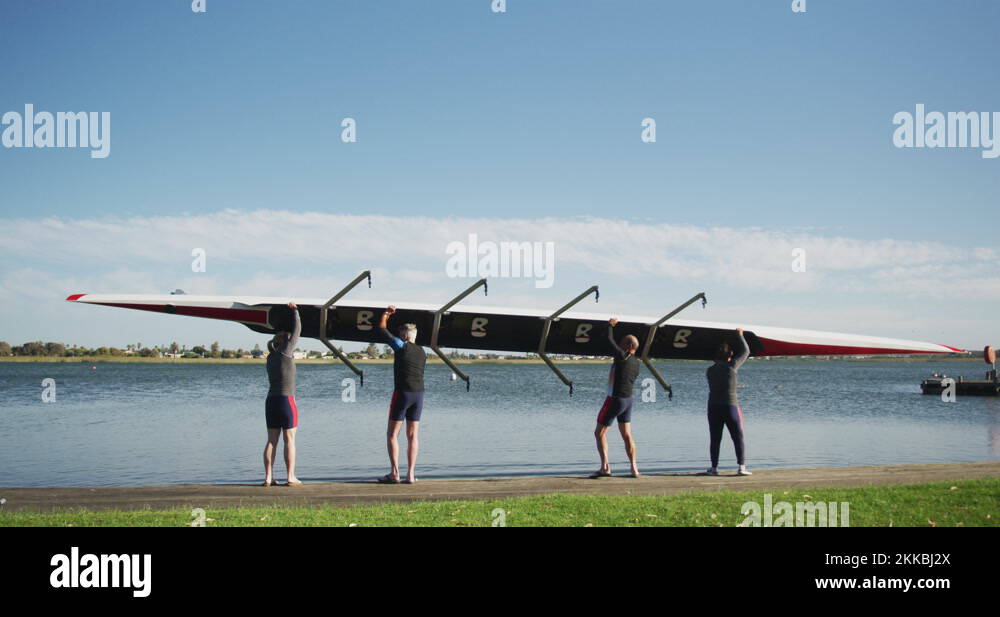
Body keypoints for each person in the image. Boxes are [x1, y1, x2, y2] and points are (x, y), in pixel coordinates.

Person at [377, 305, 426, 484]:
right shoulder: (423, 352)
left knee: (392, 434)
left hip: (402, 394)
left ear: (405, 336)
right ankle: (411, 475)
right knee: (413, 436)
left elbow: (382, 330)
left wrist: (386, 314)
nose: (398, 337)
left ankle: (394, 473)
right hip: (419, 395)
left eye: (400, 335)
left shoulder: (401, 346)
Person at [591, 317, 641, 478]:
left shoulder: (623, 356)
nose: (618, 346)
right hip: (628, 401)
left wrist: (610, 326)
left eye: (622, 344)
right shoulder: (637, 362)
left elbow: (608, 339)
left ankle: (605, 467)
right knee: (627, 434)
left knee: (599, 433)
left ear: (629, 347)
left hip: (615, 399)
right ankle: (634, 468)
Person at [263, 302, 302, 487]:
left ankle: (268, 477)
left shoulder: (270, 357)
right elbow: (298, 330)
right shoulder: (286, 353)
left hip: (271, 401)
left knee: (272, 440)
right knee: (290, 439)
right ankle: (290, 476)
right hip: (287, 401)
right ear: (285, 342)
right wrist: (295, 311)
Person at [705, 328, 751, 476]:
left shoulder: (709, 370)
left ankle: (714, 468)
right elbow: (746, 351)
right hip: (730, 406)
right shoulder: (731, 368)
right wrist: (740, 336)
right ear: (730, 356)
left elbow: (717, 363)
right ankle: (741, 467)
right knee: (738, 437)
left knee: (715, 438)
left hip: (713, 408)